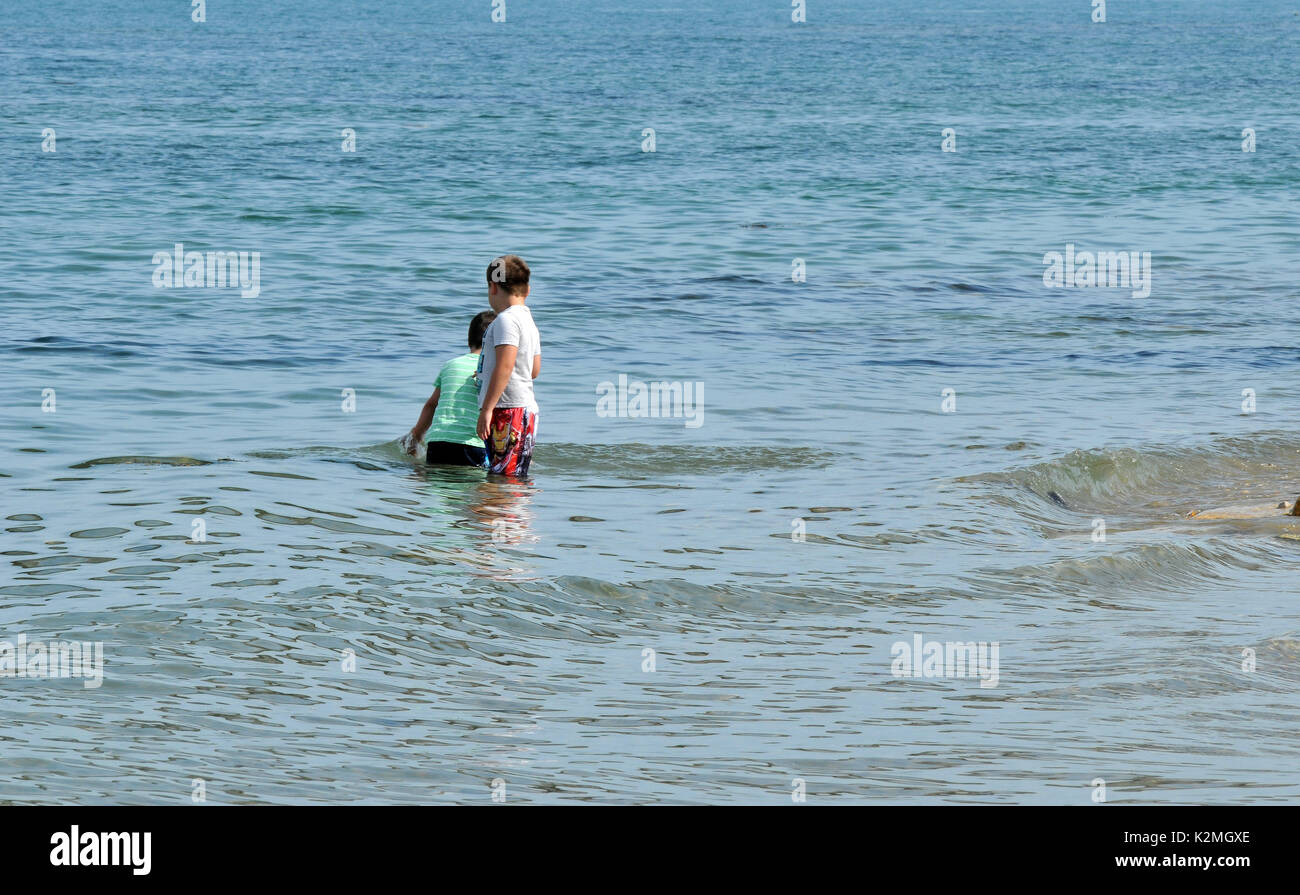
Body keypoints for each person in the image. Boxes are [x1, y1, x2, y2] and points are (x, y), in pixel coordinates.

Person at [403, 310, 497, 466]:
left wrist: (416, 436)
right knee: (478, 486)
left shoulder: (451, 365)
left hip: (438, 442)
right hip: (473, 444)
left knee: (441, 487)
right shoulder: (493, 369)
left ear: (469, 340)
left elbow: (431, 404)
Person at [476, 255, 540, 476]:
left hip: (507, 411)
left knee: (503, 478)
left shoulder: (506, 319)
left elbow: (505, 366)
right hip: (524, 409)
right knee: (511, 477)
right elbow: (533, 370)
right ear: (527, 290)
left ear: (493, 287)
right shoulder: (529, 321)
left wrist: (487, 409)